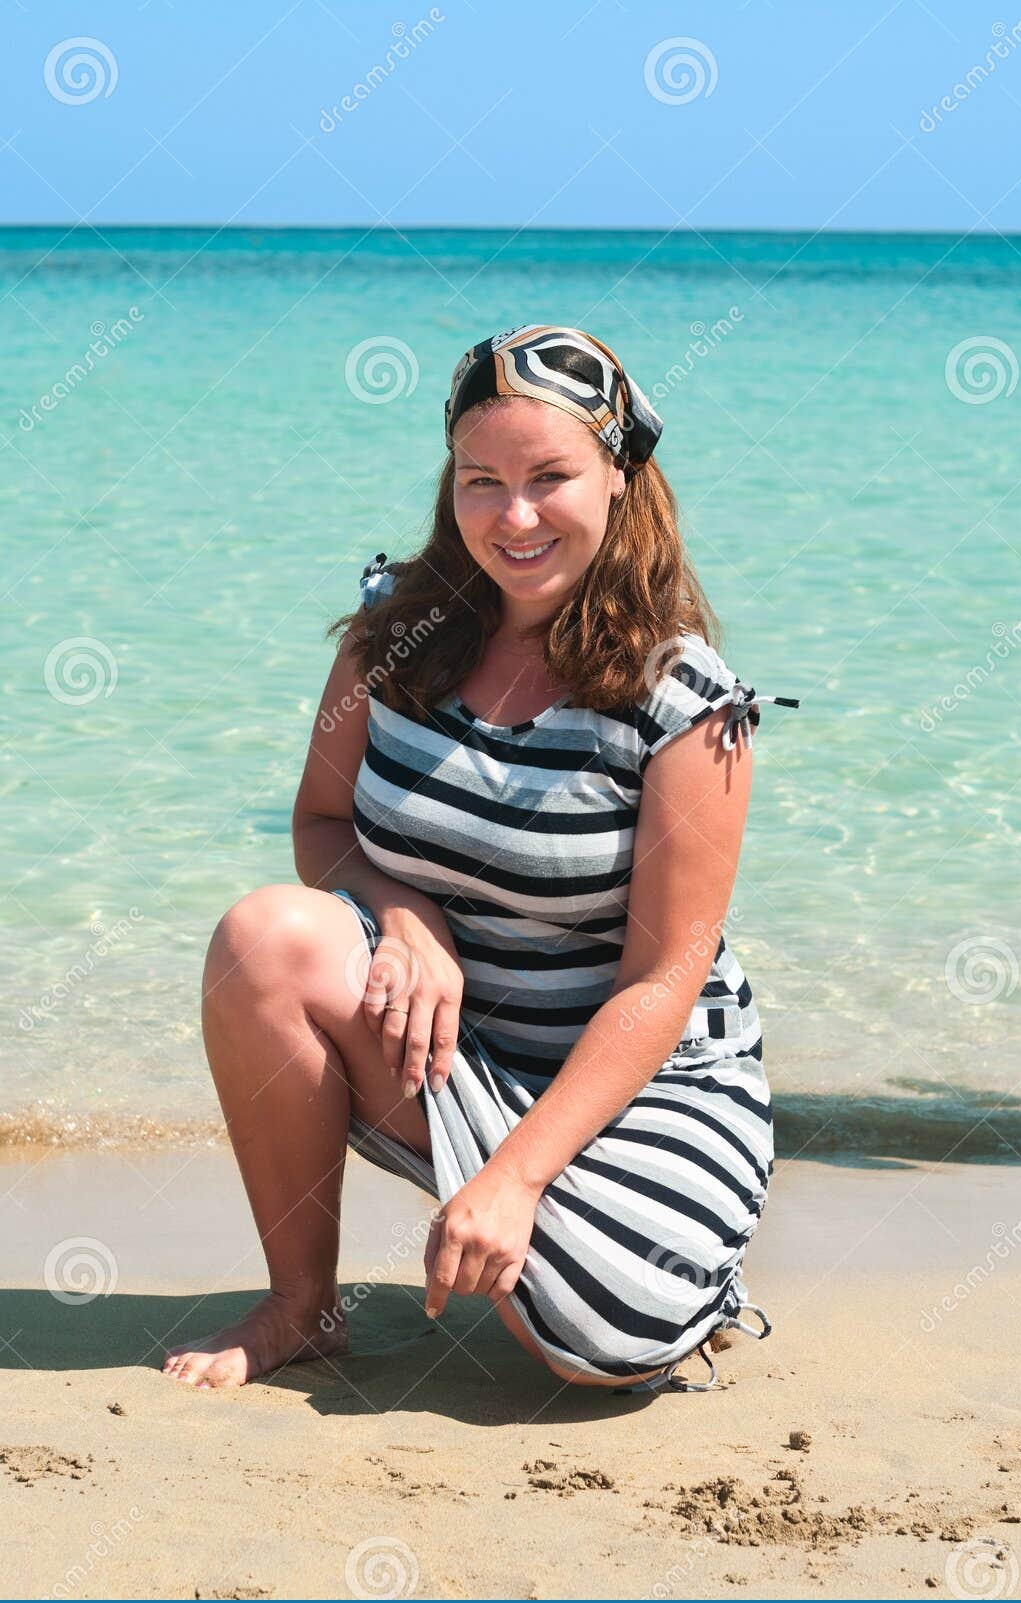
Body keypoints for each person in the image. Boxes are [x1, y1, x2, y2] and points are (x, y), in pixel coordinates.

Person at [161, 324, 799, 1395]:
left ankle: (624, 1251)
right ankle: (301, 1306)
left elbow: (661, 980)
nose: (513, 517)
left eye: (549, 477)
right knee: (264, 939)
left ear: (617, 476)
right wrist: (406, 917)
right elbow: (321, 823)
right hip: (460, 1055)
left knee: (603, 1337)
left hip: (647, 1088)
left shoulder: (686, 703)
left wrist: (515, 1178)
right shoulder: (393, 632)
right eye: (480, 482)